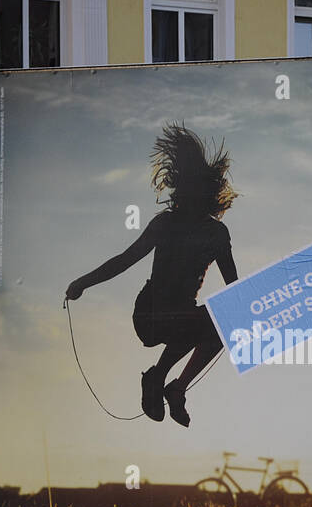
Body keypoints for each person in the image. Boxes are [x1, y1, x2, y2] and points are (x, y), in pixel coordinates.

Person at [66, 124, 239, 427]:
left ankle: (175, 387)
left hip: (179, 317)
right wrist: (83, 283)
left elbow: (234, 289)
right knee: (209, 319)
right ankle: (159, 376)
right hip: (150, 315)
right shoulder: (166, 224)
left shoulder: (217, 234)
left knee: (221, 322)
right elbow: (125, 260)